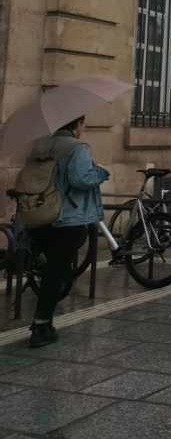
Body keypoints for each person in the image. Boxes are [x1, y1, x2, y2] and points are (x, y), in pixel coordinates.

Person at [23, 116, 108, 348]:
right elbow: (81, 179)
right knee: (56, 272)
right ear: (77, 125)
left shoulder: (39, 145)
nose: (84, 128)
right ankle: (41, 326)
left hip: (38, 215)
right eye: (83, 124)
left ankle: (38, 261)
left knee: (53, 268)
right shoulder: (78, 148)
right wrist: (101, 172)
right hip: (66, 217)